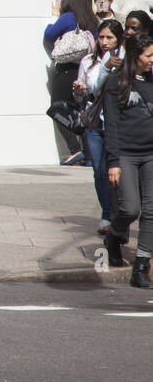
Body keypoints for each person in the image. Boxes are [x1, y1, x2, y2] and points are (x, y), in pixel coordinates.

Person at [102, 30, 153, 288]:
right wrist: (113, 162)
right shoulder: (116, 82)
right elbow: (110, 125)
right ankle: (114, 236)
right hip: (126, 155)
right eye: (149, 55)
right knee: (129, 208)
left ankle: (141, 266)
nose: (152, 59)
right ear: (135, 56)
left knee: (152, 210)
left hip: (151, 155)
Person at [75, 19, 123, 234]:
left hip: (119, 123)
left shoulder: (126, 60)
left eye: (109, 37)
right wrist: (78, 90)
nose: (104, 42)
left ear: (118, 39)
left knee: (118, 170)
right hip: (94, 122)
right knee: (100, 170)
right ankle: (107, 214)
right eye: (101, 37)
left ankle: (120, 212)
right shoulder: (87, 61)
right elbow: (89, 92)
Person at [45, 0, 100, 165]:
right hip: (83, 69)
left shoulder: (68, 17)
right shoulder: (92, 20)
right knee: (80, 111)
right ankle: (89, 154)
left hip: (66, 70)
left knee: (58, 108)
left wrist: (54, 16)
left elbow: (48, 35)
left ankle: (74, 150)